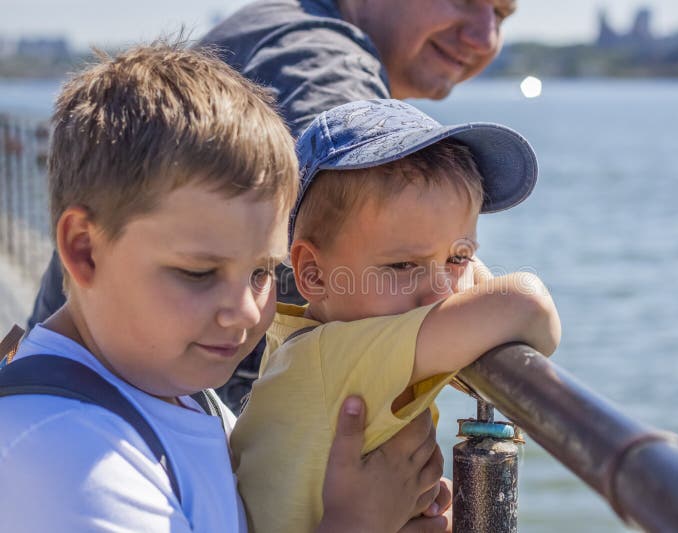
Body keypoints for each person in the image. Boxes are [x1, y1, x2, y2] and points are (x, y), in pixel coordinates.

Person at [0, 44, 446, 532]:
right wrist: (358, 522)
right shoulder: (67, 459)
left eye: (261, 273)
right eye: (198, 273)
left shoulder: (179, 392)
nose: (246, 313)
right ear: (86, 250)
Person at [27, 0, 519, 410]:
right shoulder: (320, 60)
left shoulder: (273, 27)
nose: (482, 35)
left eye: (501, 13)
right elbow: (367, 203)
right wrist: (471, 300)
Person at [232, 99, 562, 532]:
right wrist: (460, 264)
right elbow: (529, 305)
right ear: (313, 273)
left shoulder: (299, 335)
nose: (439, 291)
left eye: (457, 258)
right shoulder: (347, 355)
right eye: (403, 266)